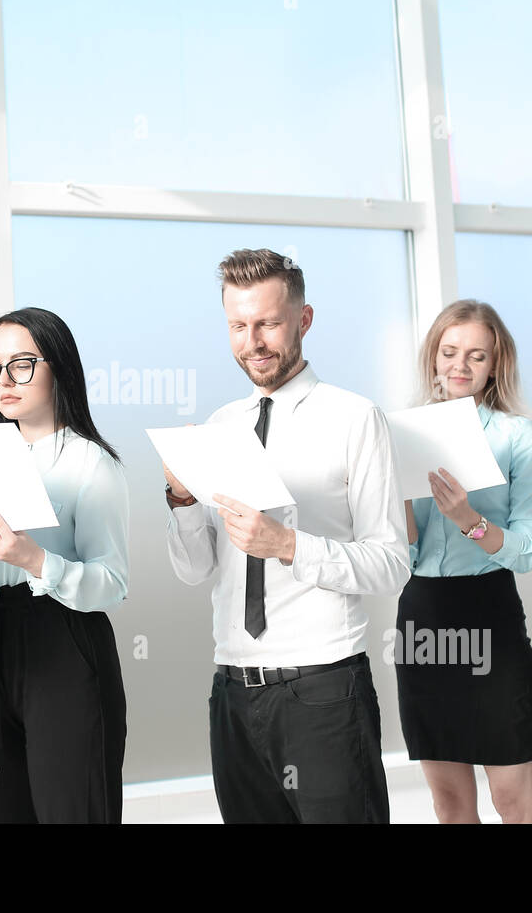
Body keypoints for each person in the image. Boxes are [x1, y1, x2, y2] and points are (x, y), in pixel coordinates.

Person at [164, 248, 408, 823]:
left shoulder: (356, 418)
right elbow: (196, 570)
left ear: (304, 319)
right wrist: (179, 500)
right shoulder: (221, 427)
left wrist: (290, 546)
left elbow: (391, 562)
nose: (254, 342)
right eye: (238, 326)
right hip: (232, 693)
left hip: (323, 692)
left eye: (269, 323)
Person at [0, 307, 128, 823]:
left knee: (72, 807)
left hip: (64, 639)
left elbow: (114, 583)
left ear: (57, 366)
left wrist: (37, 561)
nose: (3, 381)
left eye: (21, 365)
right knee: (4, 808)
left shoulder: (90, 464)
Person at [396, 300, 532, 823]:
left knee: (512, 797)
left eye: (476, 356)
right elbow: (406, 553)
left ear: (494, 365)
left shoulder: (517, 436)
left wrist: (471, 521)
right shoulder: (406, 434)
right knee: (449, 802)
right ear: (434, 359)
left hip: (489, 612)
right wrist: (395, 504)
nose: (460, 366)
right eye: (450, 352)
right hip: (422, 618)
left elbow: (527, 550)